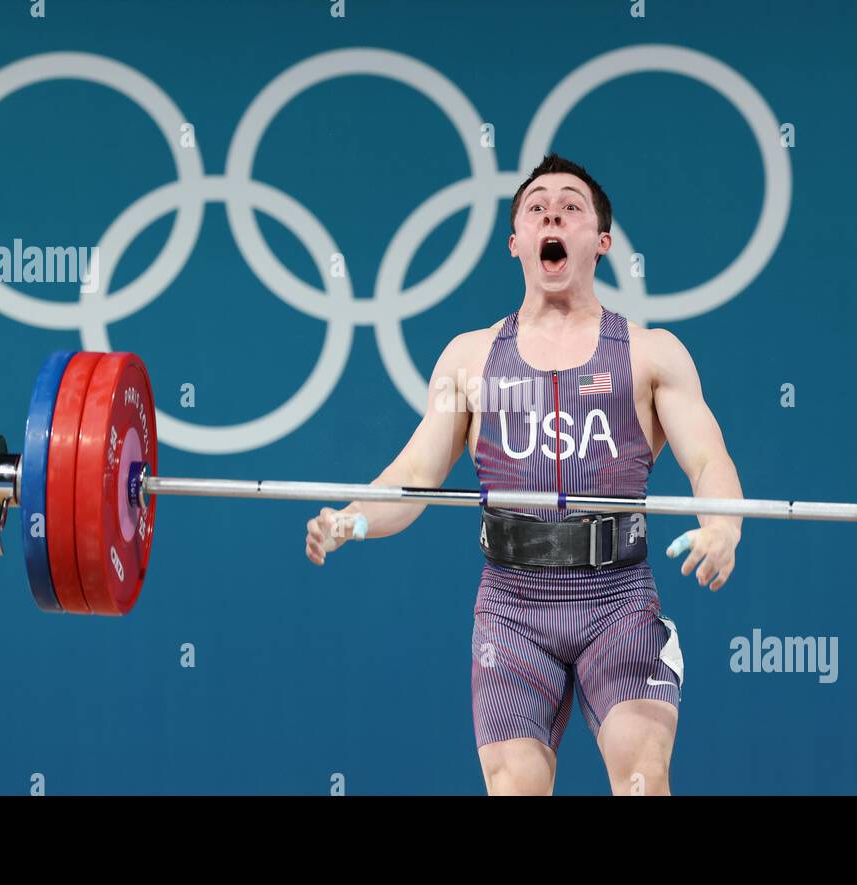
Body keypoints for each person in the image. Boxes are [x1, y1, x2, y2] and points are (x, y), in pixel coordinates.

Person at [305, 153, 743, 795]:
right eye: (536, 207)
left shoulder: (652, 354)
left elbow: (709, 459)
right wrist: (356, 516)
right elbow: (416, 474)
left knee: (644, 779)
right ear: (517, 244)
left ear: (601, 241)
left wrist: (722, 527)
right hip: (512, 607)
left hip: (616, 600)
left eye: (571, 205)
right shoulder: (470, 359)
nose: (552, 213)